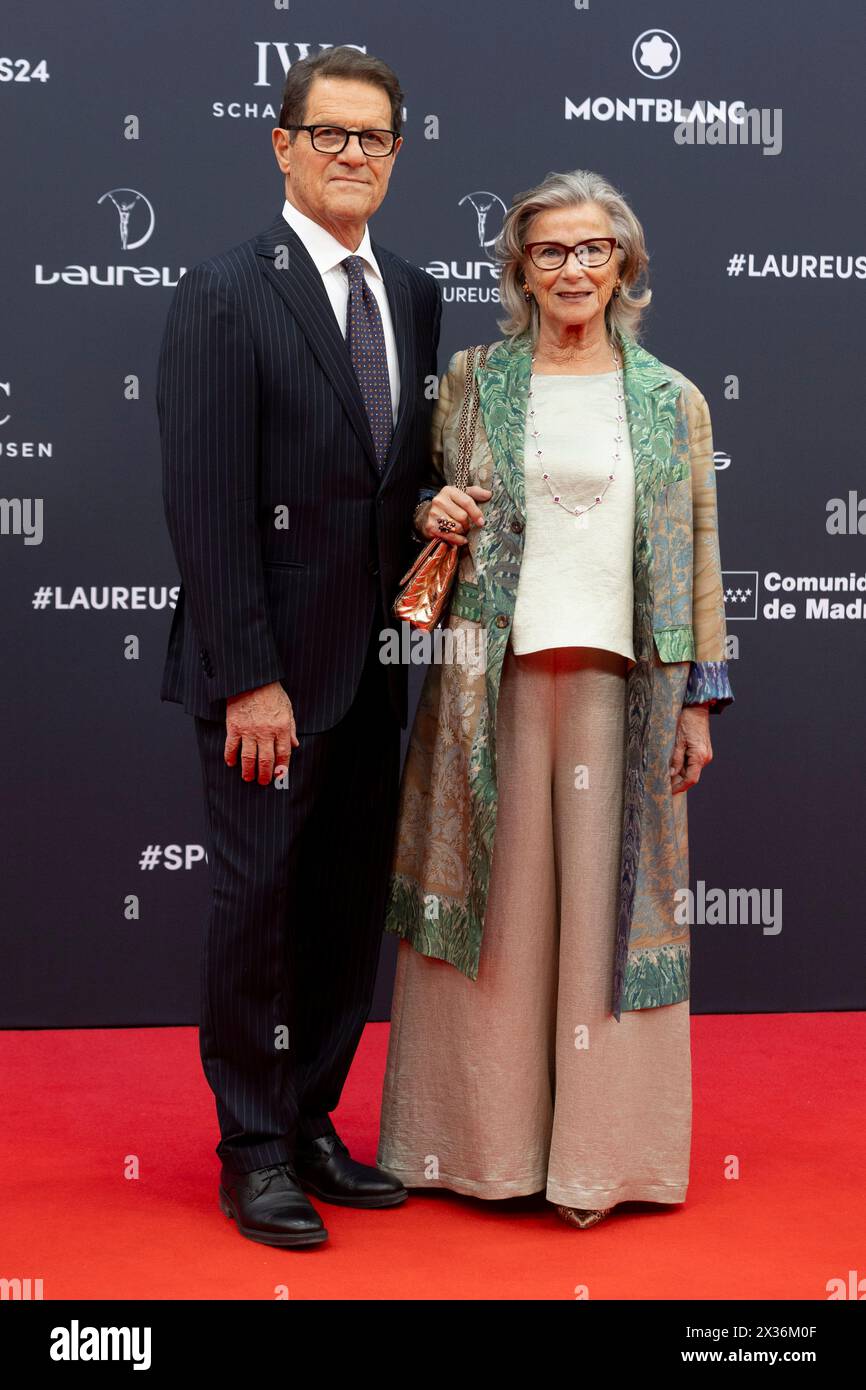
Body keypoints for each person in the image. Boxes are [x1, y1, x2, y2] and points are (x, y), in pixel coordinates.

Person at [377, 168, 734, 1229]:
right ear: (518, 271)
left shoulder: (671, 397)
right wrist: (429, 507)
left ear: (623, 265)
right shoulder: (470, 381)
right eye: (548, 251)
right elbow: (414, 512)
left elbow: (703, 554)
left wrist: (698, 702)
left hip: (626, 690)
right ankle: (472, 1148)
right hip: (488, 685)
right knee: (491, 909)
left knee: (609, 920)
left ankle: (600, 1161)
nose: (572, 268)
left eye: (591, 250)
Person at [156, 47, 442, 1247]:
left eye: (373, 139)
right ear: (280, 145)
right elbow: (209, 504)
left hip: (379, 679)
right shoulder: (227, 290)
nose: (352, 158)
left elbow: (395, 479)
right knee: (262, 905)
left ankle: (315, 1119)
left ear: (394, 153)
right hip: (270, 683)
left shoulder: (415, 294)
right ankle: (255, 1147)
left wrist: (438, 515)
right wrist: (250, 679)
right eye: (329, 135)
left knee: (340, 908)